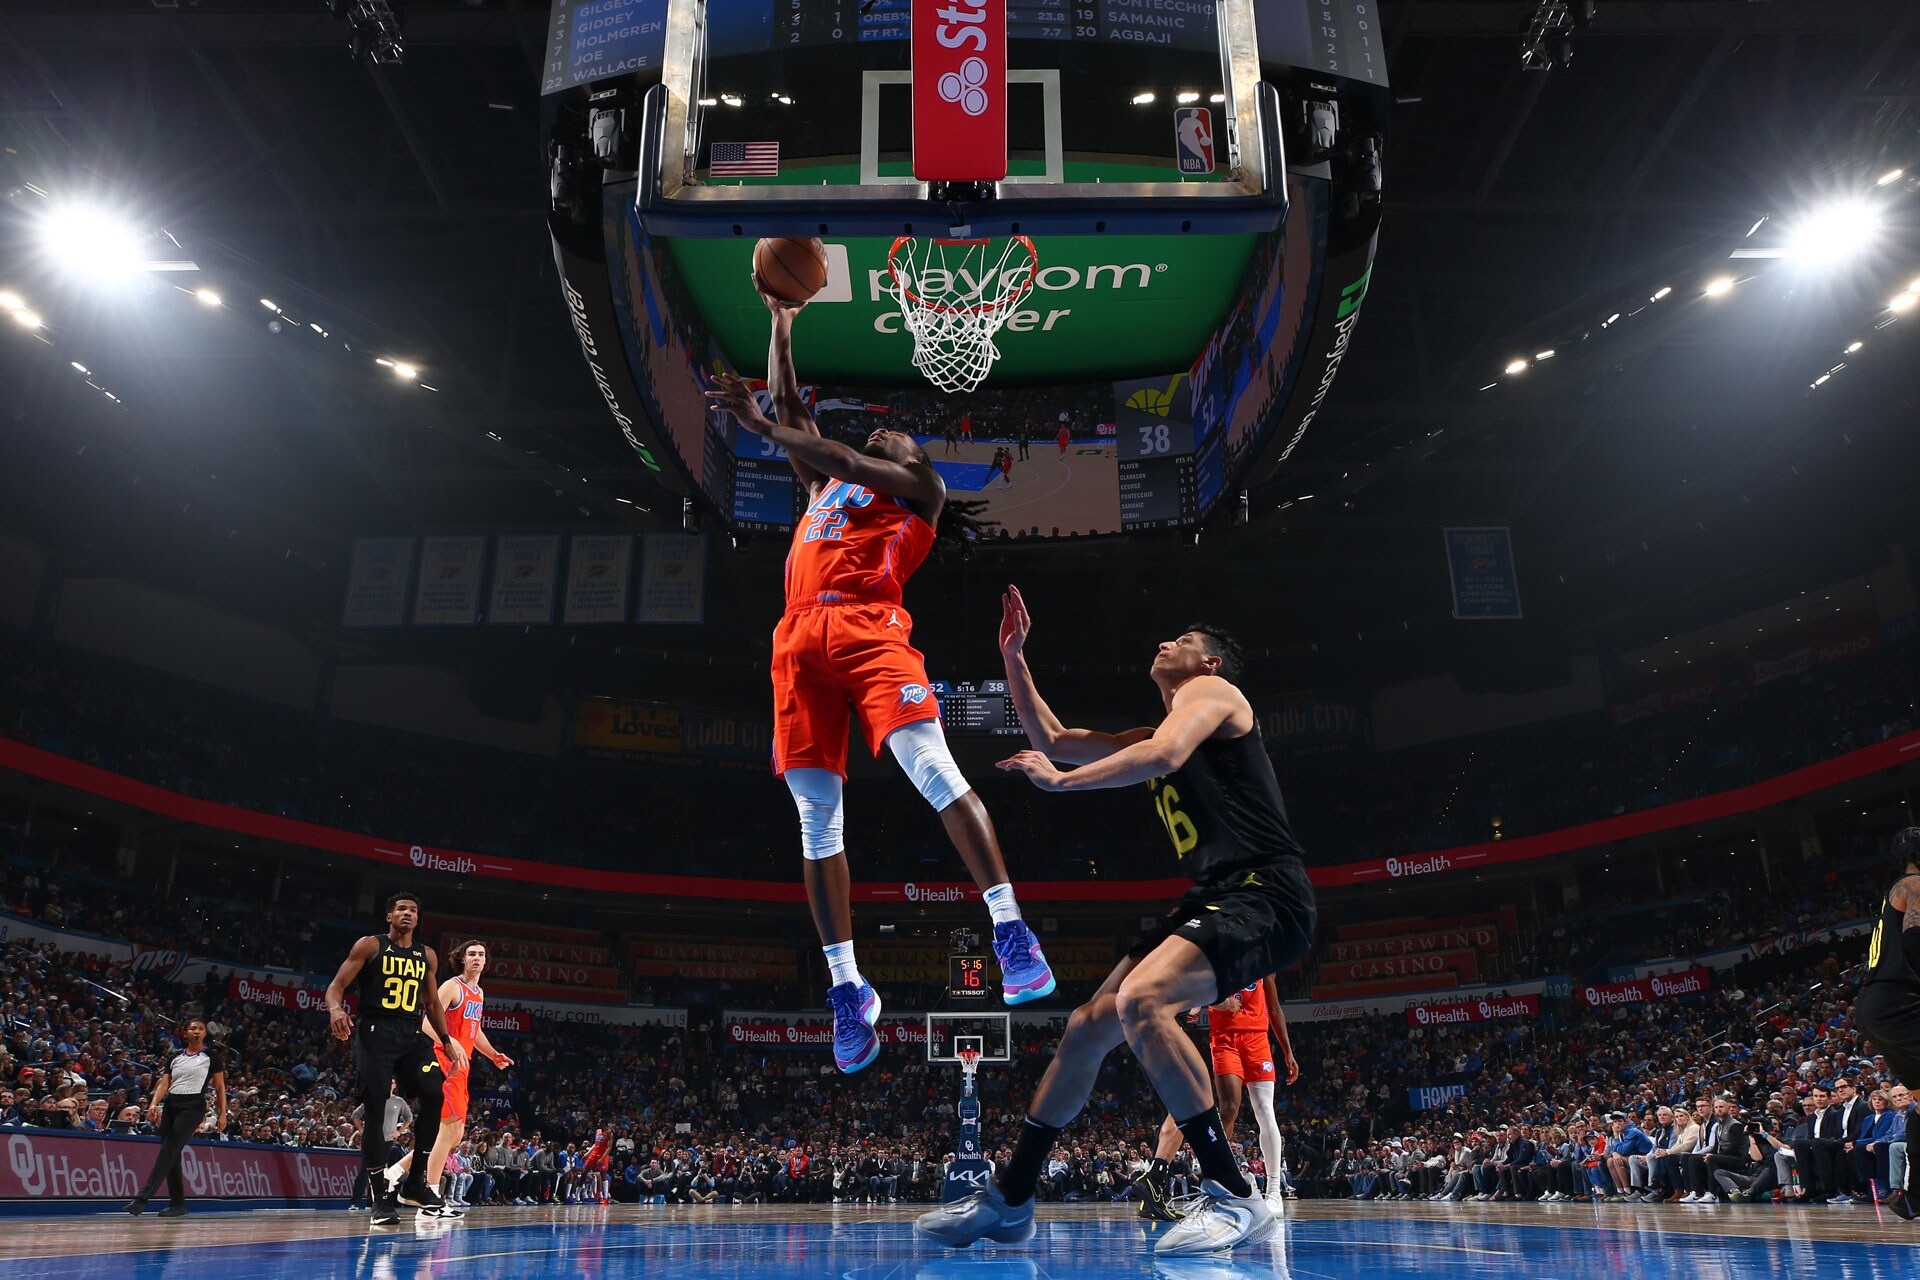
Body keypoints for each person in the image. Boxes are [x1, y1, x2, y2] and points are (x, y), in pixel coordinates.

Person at [704, 288, 1054, 1074]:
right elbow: (799, 413)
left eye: (903, 435)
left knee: (933, 772)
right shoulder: (830, 490)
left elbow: (838, 450)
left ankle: (1009, 929)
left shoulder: (915, 494)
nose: (888, 430)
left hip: (869, 628)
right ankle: (847, 988)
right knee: (814, 820)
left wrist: (764, 427)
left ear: (918, 467)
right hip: (796, 639)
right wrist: (781, 324)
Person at [917, 589, 1317, 1255]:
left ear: (1210, 663)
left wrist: (1062, 784)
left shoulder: (1215, 699)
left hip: (1266, 891)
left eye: (1181, 640)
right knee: (1087, 1026)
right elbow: (1055, 739)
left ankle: (1236, 1197)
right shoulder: (1161, 728)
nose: (1165, 644)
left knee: (1141, 1002)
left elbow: (1152, 760)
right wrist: (1014, 660)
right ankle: (1012, 1198)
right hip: (1216, 894)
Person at [324, 891, 465, 1225]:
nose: (408, 913)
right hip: (375, 1031)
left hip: (410, 1033)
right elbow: (336, 985)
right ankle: (379, 1199)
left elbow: (432, 1004)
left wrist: (446, 1040)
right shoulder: (369, 946)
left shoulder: (427, 954)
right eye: (401, 909)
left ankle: (415, 1182)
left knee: (434, 1092)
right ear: (389, 916)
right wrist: (334, 1009)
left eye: (414, 910)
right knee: (375, 1109)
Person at [1137, 975, 1297, 1220]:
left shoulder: (1263, 958)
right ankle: (1213, 1180)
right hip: (1215, 1039)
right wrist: (1217, 1003)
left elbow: (1271, 1005)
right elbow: (1197, 994)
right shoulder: (1210, 962)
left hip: (1255, 1038)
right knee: (1206, 1104)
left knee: (1192, 1104)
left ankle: (1273, 1190)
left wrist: (1287, 1051)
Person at [1855, 826, 1920, 1219]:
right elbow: (1916, 940)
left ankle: (1912, 1197)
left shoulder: (1896, 888)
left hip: (1877, 1004)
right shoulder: (1915, 883)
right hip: (1901, 1002)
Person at [124, 1016, 227, 1218]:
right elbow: (164, 1083)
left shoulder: (212, 1057)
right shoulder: (175, 1057)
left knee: (169, 1148)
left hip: (193, 1106)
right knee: (173, 1154)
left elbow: (220, 1087)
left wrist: (222, 1114)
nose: (196, 1031)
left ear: (205, 1034)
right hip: (172, 1105)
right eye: (192, 1028)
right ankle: (178, 1204)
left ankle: (141, 1199)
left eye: (200, 1029)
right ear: (185, 1033)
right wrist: (154, 1104)